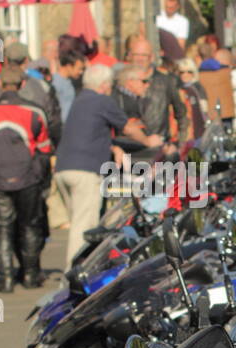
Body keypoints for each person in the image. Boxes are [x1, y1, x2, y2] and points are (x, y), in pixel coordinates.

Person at [54, 63, 161, 267]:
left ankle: (85, 270)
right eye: (110, 84)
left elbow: (88, 133)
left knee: (78, 223)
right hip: (85, 171)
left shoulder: (79, 100)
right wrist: (149, 142)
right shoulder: (102, 101)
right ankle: (74, 276)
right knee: (84, 229)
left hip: (63, 169)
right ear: (103, 85)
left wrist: (112, 147)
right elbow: (128, 128)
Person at [0, 64, 52, 292]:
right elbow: (45, 150)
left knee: (2, 227)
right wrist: (38, 175)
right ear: (23, 84)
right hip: (28, 177)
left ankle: (6, 279)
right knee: (30, 226)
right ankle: (31, 276)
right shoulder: (35, 112)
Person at [0, 43, 62, 148]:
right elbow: (53, 122)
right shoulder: (42, 86)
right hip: (34, 148)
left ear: (5, 60)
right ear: (26, 60)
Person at [119, 37, 188, 156]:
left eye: (144, 55)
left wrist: (179, 146)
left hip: (159, 149)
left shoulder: (166, 81)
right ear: (129, 56)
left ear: (151, 57)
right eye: (136, 55)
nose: (140, 59)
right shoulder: (119, 82)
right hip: (128, 149)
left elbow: (182, 115)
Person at [196, 38, 236, 127]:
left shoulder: (199, 74)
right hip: (227, 113)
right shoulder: (226, 71)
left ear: (199, 56)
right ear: (213, 54)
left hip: (210, 115)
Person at [51, 35, 88, 123]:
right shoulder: (56, 83)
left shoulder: (69, 81)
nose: (81, 72)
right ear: (69, 66)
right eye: (79, 69)